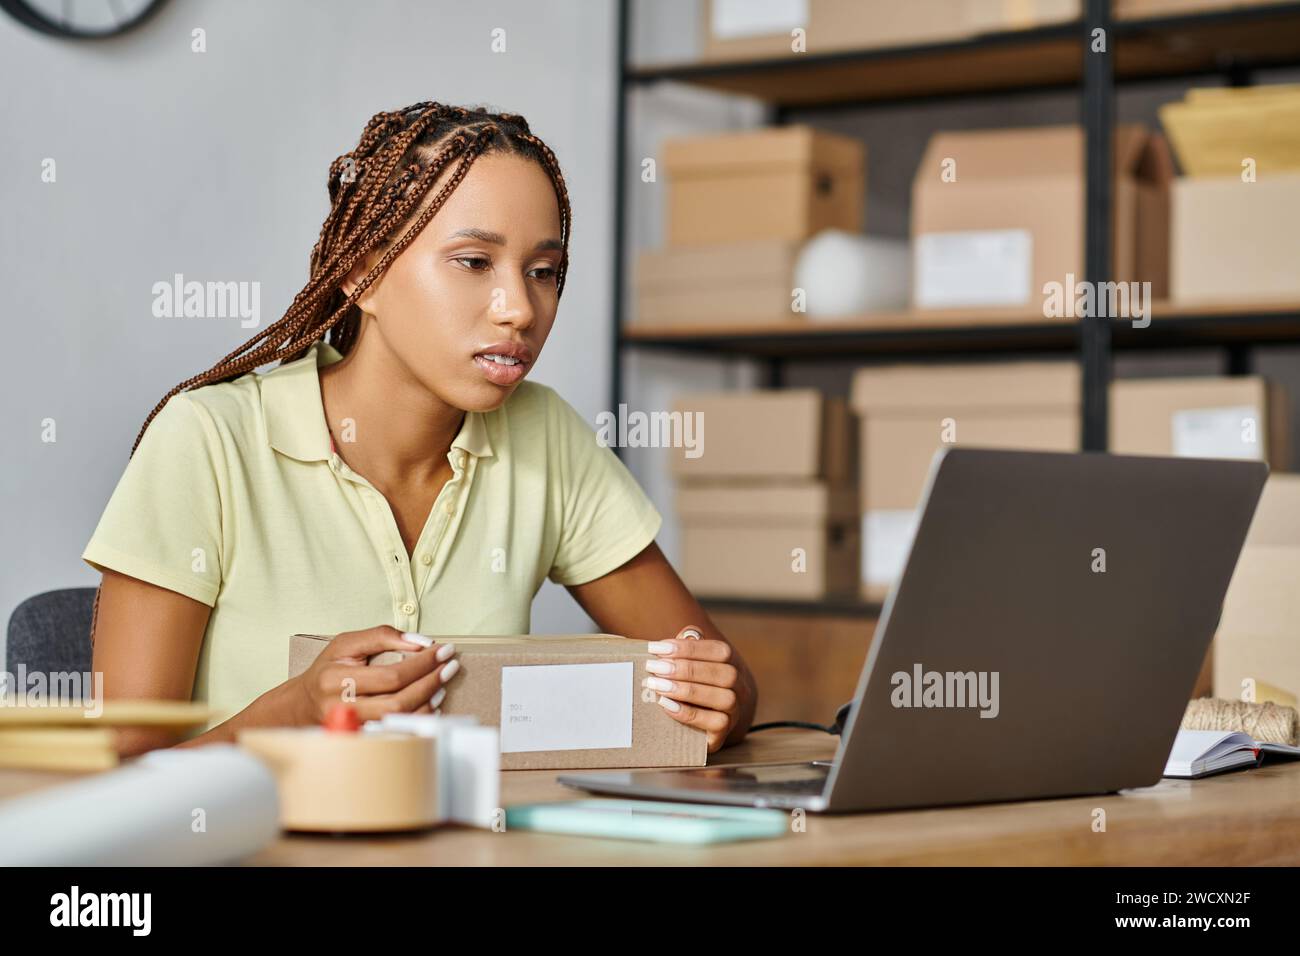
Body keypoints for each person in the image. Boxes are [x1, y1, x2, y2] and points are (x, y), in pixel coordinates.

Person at [83, 102, 758, 757]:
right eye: (473, 262)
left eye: (544, 272)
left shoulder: (544, 436)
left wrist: (717, 699)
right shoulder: (207, 442)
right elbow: (119, 778)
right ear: (362, 272)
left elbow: (725, 679)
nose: (519, 308)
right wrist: (294, 712)